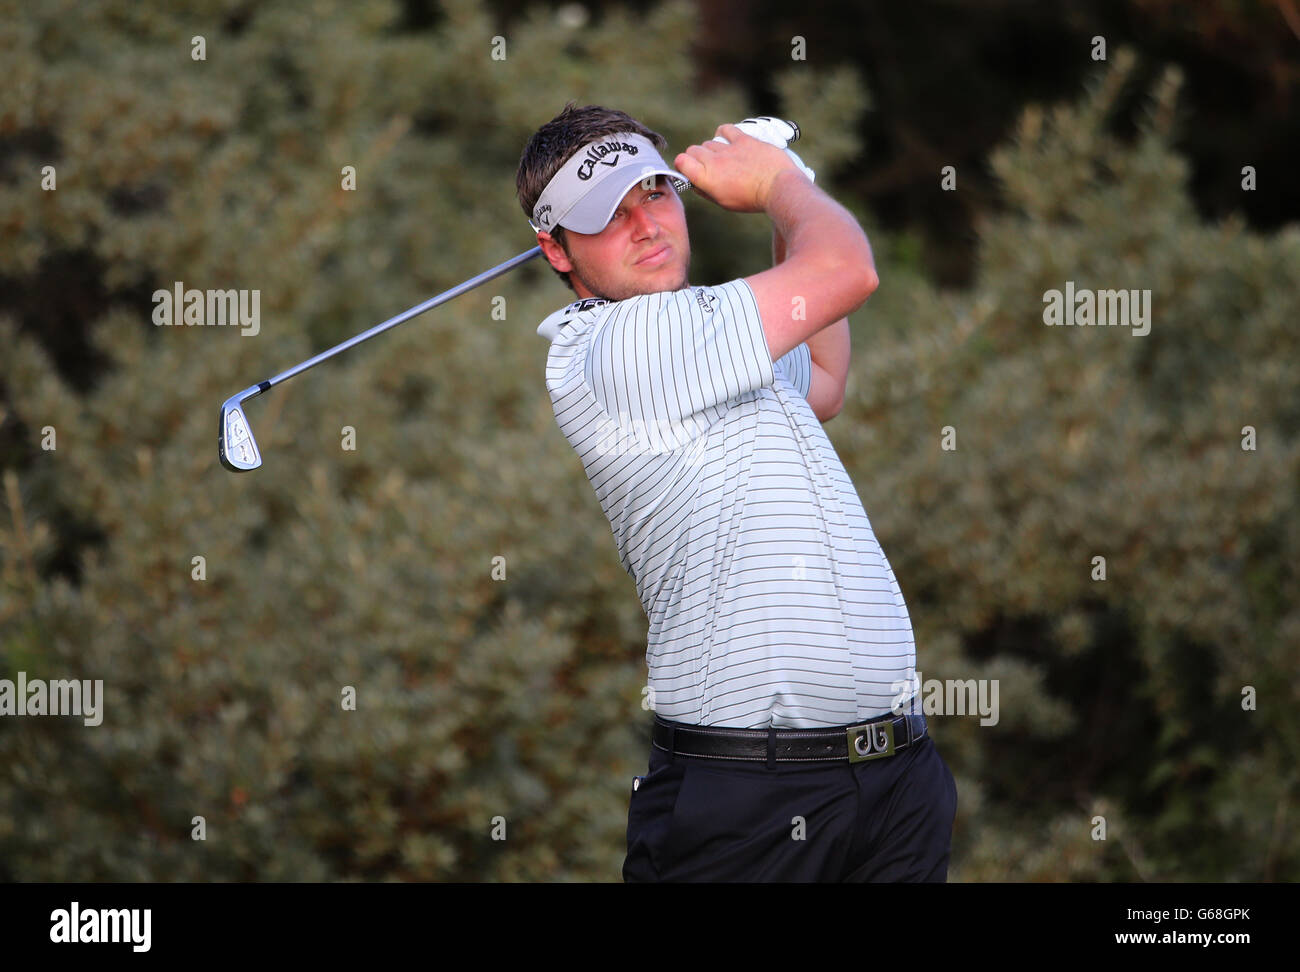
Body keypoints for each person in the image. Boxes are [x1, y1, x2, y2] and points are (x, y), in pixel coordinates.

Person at [516, 103, 958, 882]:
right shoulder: (619, 347)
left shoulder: (711, 336)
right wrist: (779, 184)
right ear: (556, 249)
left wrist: (789, 190)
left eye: (654, 192)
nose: (646, 225)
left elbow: (825, 380)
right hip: (752, 796)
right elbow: (848, 272)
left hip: (894, 780)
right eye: (607, 215)